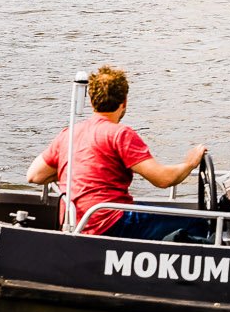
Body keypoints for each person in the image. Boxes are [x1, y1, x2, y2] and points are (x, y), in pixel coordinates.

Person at [26, 65, 206, 238]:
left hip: (77, 223)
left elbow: (35, 175)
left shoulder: (69, 133)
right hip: (111, 223)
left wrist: (75, 171)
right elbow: (163, 179)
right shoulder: (120, 135)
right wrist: (190, 164)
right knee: (197, 222)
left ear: (92, 101)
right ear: (124, 102)